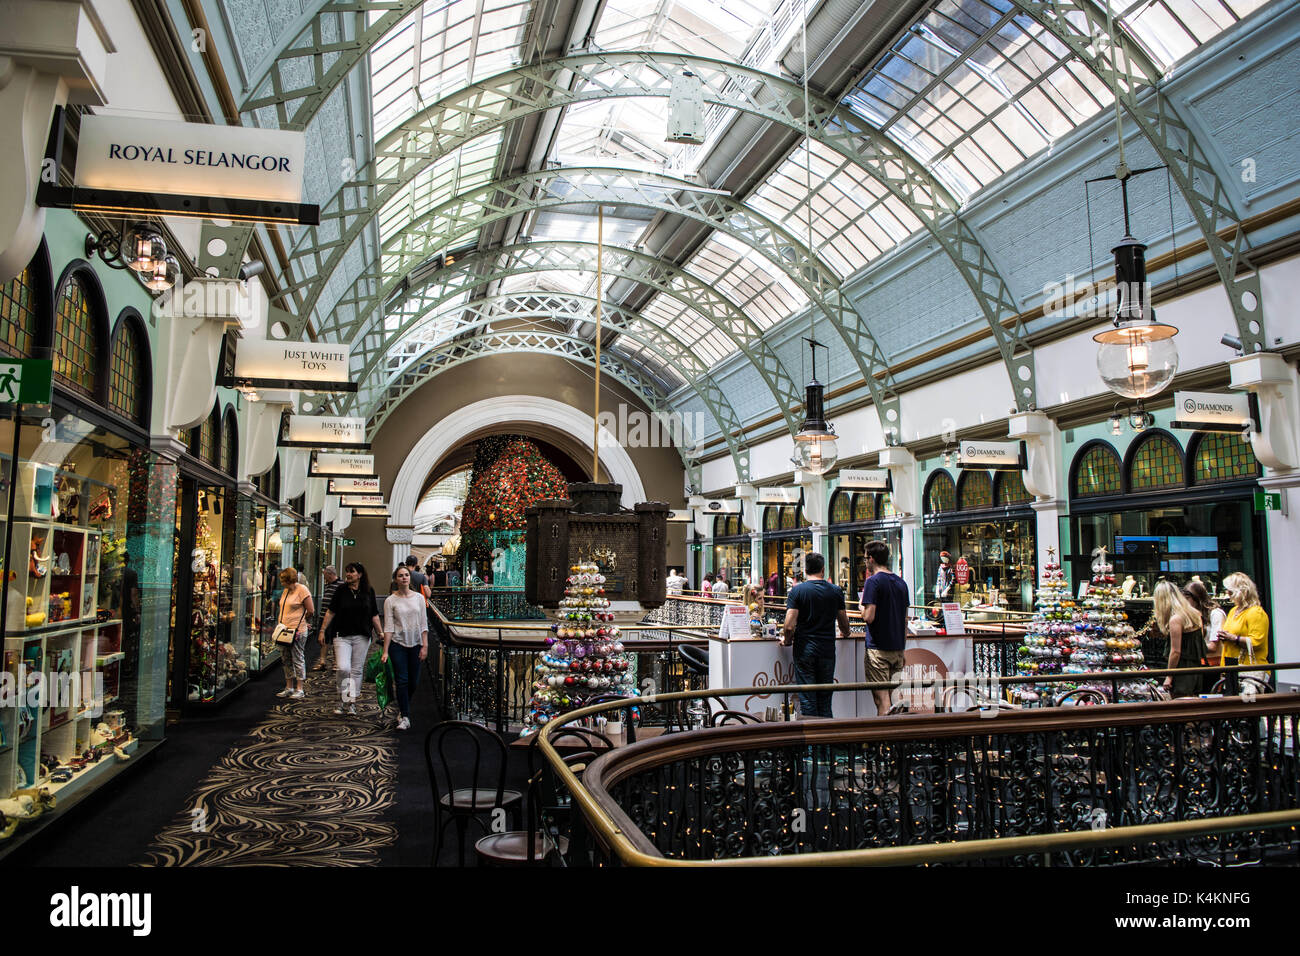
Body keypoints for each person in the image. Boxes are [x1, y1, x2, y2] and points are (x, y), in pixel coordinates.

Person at [781, 552, 850, 719]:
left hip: (805, 650)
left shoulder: (797, 591)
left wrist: (787, 640)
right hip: (826, 650)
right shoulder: (835, 591)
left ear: (805, 570)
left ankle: (811, 744)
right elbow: (843, 622)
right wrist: (846, 633)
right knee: (825, 700)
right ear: (823, 569)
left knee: (808, 700)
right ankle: (826, 743)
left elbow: (789, 625)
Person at [319, 562, 382, 716]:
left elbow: (374, 614)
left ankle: (351, 702)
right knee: (343, 667)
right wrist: (322, 630)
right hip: (341, 634)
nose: (348, 574)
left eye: (352, 572)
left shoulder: (368, 591)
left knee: (356, 669)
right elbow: (330, 611)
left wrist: (380, 632)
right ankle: (342, 698)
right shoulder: (341, 590)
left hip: (362, 635)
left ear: (360, 575)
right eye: (347, 571)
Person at [859, 540, 910, 716]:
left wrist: (861, 606)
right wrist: (902, 650)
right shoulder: (901, 583)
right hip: (897, 649)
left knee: (882, 701)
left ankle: (884, 741)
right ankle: (896, 740)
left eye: (865, 558)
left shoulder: (872, 582)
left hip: (878, 650)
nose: (865, 562)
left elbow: (869, 616)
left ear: (871, 559)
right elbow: (905, 620)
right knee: (895, 700)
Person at [383, 566, 428, 731]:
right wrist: (386, 650)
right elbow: (388, 627)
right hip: (397, 644)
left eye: (406, 575)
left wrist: (425, 645)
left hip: (416, 644)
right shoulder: (390, 600)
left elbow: (424, 623)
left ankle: (404, 706)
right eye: (400, 576)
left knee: (413, 682)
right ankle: (405, 716)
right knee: (402, 680)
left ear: (410, 578)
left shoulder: (418, 598)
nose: (404, 578)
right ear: (396, 579)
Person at [1152, 580, 1206, 698]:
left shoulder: (1176, 619)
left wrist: (1169, 676)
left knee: (1180, 704)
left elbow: (1175, 652)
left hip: (1182, 671)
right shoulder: (1195, 614)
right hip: (1196, 669)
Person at [1219, 571, 1271, 688]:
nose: (1227, 593)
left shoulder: (1256, 612)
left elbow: (1257, 642)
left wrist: (1233, 638)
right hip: (1231, 667)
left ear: (1241, 591)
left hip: (1250, 669)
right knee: (1234, 704)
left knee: (1248, 703)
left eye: (1230, 590)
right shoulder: (1233, 611)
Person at [275, 568, 315, 700]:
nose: (281, 583)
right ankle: (289, 686)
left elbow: (310, 610)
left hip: (297, 631)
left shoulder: (302, 590)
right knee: (285, 659)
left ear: (289, 579)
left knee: (297, 658)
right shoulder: (286, 591)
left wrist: (303, 622)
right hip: (284, 630)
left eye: (283, 580)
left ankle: (300, 688)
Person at [1185, 580, 1225, 674]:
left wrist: (1189, 649)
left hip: (1214, 665)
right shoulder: (1193, 614)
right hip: (1198, 664)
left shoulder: (1216, 614)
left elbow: (1213, 647)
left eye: (1187, 598)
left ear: (1197, 598)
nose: (1185, 602)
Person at [310, 565, 340, 672]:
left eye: (325, 575)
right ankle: (322, 662)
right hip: (324, 616)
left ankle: (337, 663)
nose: (324, 578)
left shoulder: (341, 585)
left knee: (335, 640)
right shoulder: (327, 585)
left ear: (330, 574)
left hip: (335, 618)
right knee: (323, 640)